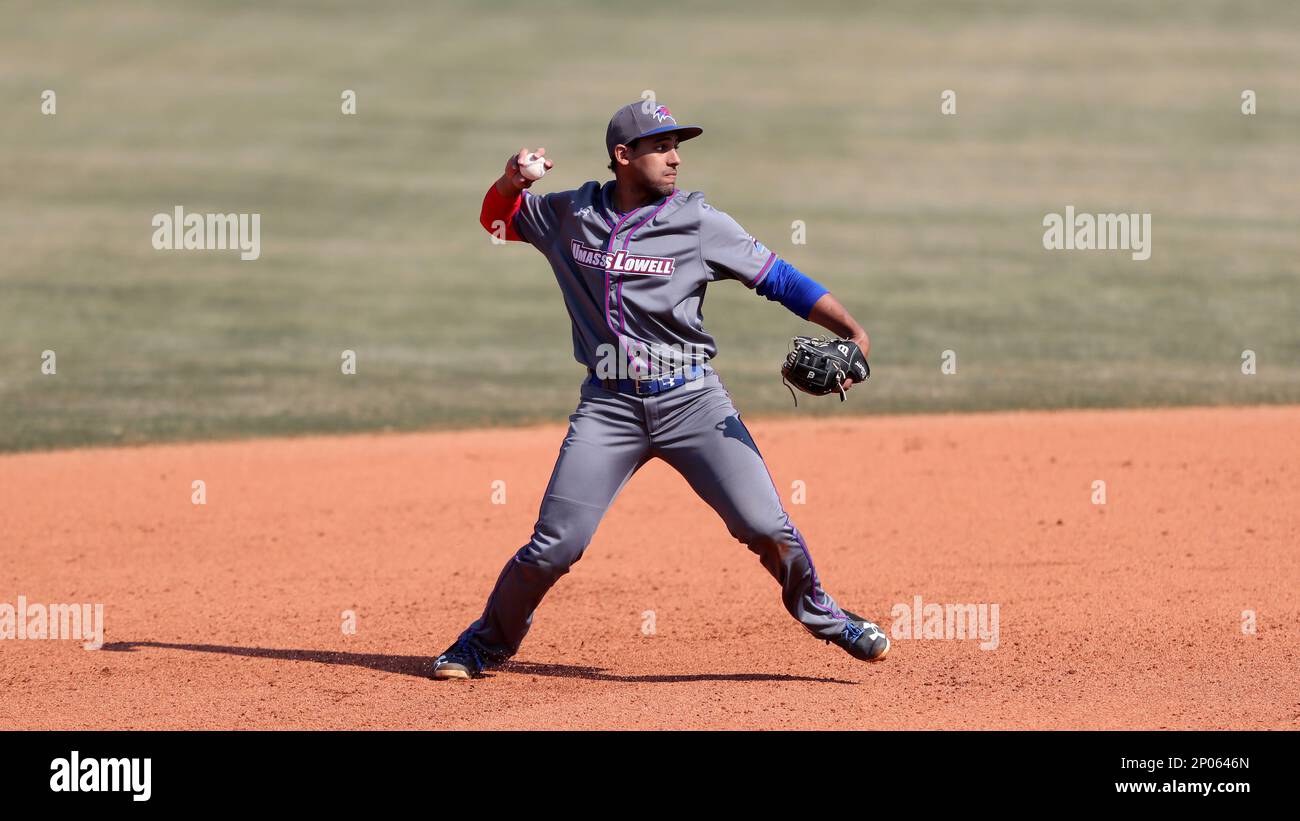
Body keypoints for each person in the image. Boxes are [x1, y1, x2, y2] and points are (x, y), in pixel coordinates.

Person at [433, 101, 888, 679]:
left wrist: (852, 331)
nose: (674, 159)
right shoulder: (570, 214)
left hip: (693, 402)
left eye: (677, 147)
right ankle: (485, 644)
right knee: (555, 545)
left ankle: (825, 615)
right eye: (659, 147)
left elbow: (779, 279)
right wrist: (508, 181)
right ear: (623, 156)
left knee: (765, 526)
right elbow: (497, 221)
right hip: (608, 408)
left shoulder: (699, 222)